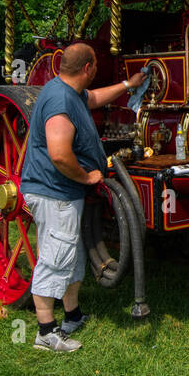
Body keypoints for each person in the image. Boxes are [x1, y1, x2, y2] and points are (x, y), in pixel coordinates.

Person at [19, 43, 144, 352]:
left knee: (71, 257)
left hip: (64, 192)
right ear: (88, 68)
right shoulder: (61, 100)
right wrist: (88, 176)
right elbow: (60, 155)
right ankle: (45, 332)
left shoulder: (68, 91)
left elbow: (95, 97)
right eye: (95, 67)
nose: (96, 72)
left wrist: (129, 85)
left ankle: (72, 315)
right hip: (54, 192)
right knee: (55, 258)